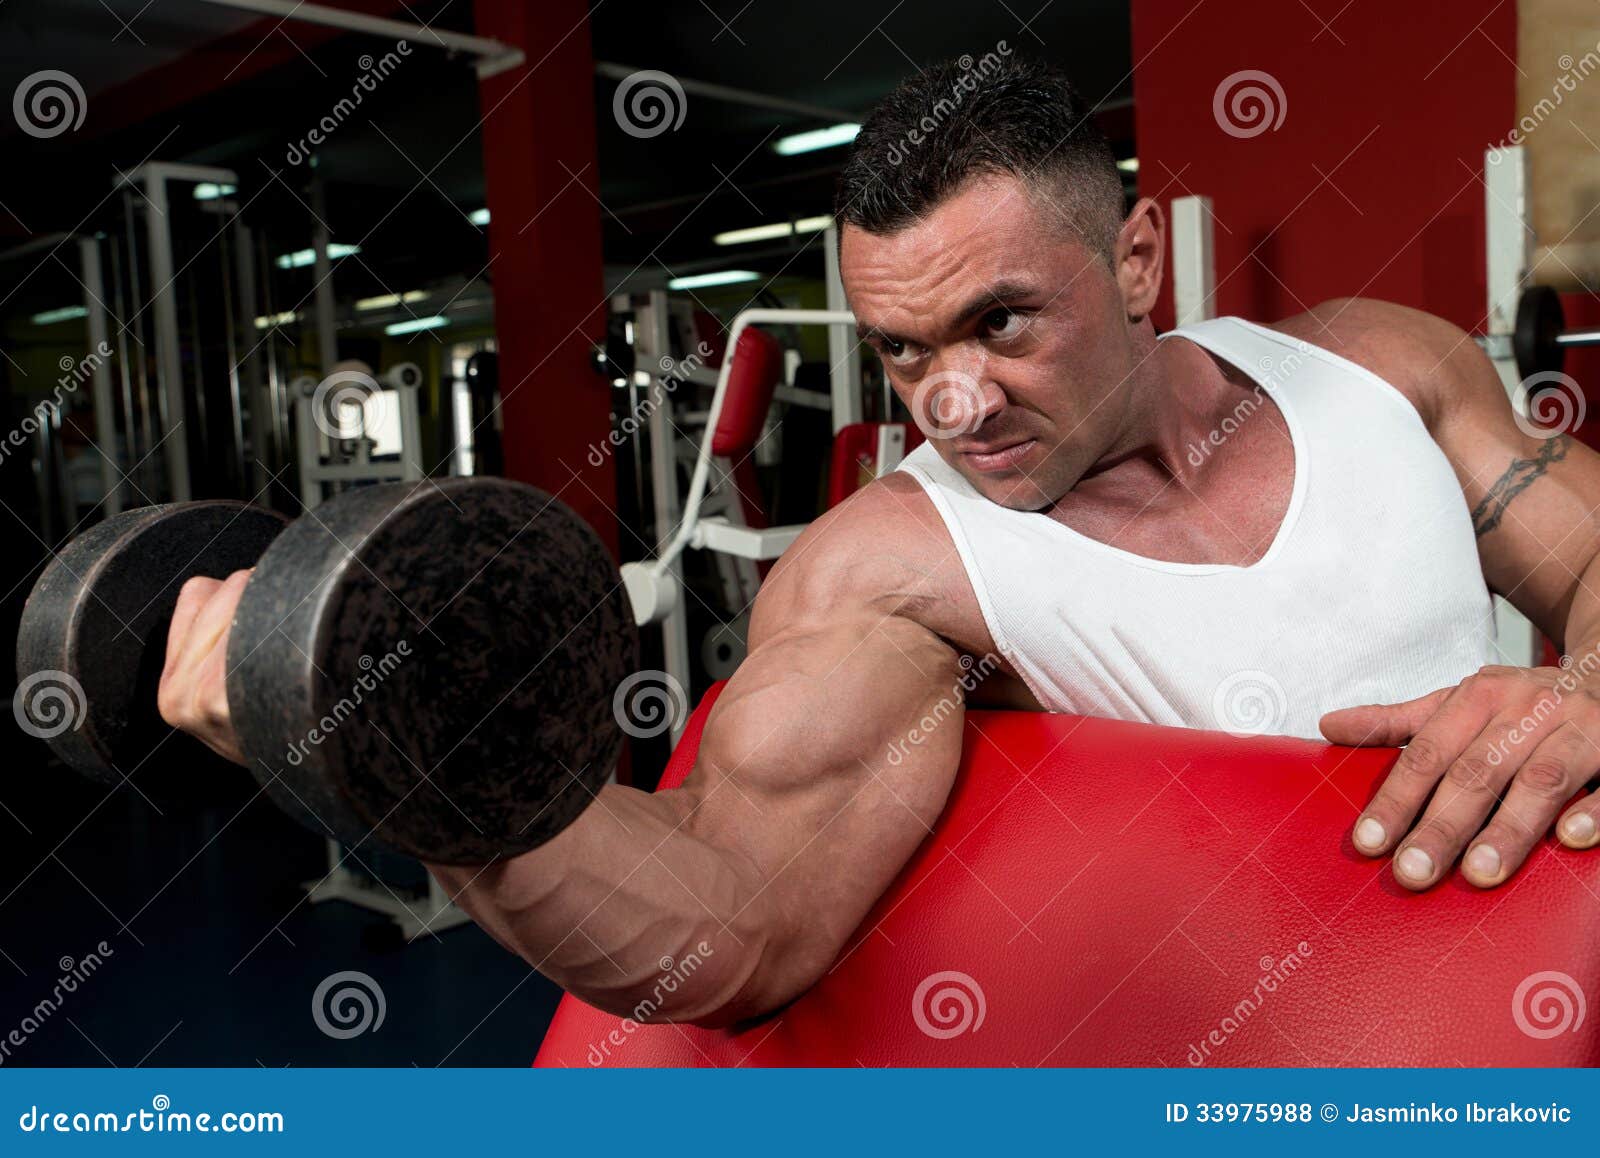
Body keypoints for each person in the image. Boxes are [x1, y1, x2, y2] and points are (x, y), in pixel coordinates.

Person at [158, 56, 1600, 1026]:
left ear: (1140, 257)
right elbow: (739, 923)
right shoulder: (891, 570)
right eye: (903, 351)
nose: (955, 399)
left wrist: (1580, 687)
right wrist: (424, 769)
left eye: (1000, 323)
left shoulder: (1386, 371)